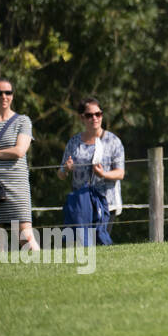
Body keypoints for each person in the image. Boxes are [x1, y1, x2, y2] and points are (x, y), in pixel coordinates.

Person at [59, 96, 125, 245]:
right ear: (82, 118)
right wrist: (66, 168)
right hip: (81, 204)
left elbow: (120, 173)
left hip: (107, 203)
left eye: (98, 114)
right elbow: (61, 174)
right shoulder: (74, 142)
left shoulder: (113, 141)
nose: (94, 118)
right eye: (89, 115)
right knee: (83, 246)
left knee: (101, 244)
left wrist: (103, 174)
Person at [0, 76, 38, 254]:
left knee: (25, 237)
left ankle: (43, 272)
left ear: (12, 95)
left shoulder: (23, 121)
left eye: (8, 92)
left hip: (16, 186)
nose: (4, 96)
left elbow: (20, 151)